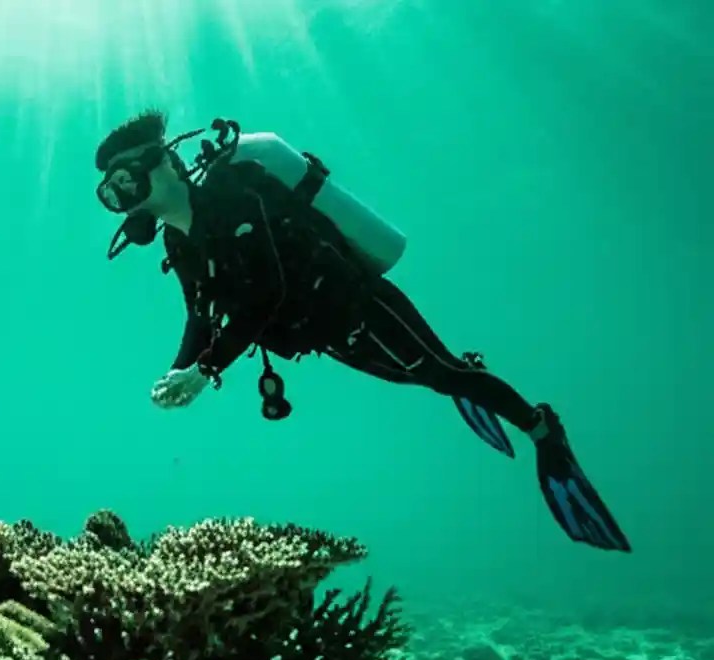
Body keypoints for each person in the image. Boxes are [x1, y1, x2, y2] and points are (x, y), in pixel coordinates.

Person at [93, 110, 631, 553]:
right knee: (422, 376)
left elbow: (269, 295)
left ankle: (542, 431)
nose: (122, 194)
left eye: (125, 177)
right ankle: (467, 368)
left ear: (161, 163)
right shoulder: (178, 243)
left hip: (361, 305)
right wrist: (180, 368)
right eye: (112, 187)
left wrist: (206, 369)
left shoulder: (233, 195)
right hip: (324, 335)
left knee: (440, 375)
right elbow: (199, 315)